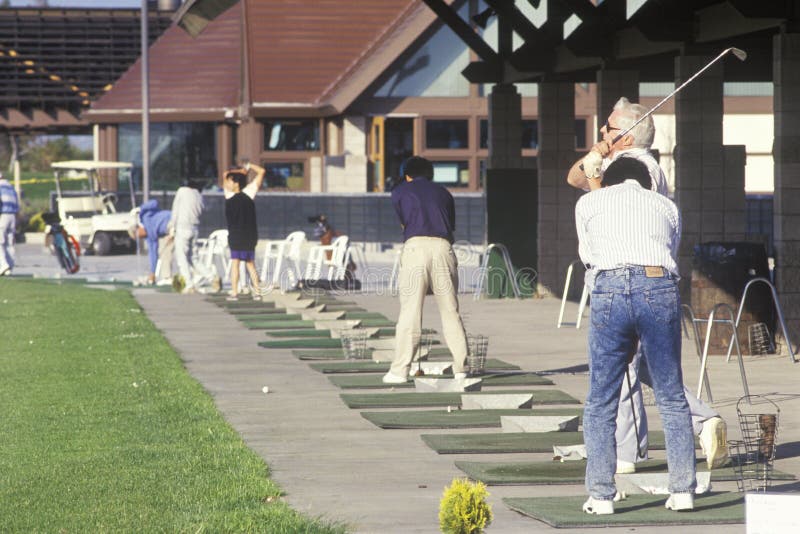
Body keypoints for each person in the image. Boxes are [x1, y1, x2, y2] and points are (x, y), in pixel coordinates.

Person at [568, 97, 727, 474]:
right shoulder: (617, 161)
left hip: (629, 278)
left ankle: (625, 450)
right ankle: (703, 421)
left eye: (608, 128)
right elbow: (574, 178)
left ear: (624, 136)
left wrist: (596, 174)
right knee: (646, 368)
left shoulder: (639, 168)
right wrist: (596, 154)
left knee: (621, 366)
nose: (602, 132)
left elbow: (606, 212)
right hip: (641, 280)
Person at [576, 157, 696, 514]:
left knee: (601, 399)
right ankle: (683, 490)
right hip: (658, 284)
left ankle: (601, 495)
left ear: (608, 181)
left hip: (609, 285)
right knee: (671, 394)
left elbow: (588, 255)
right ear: (647, 183)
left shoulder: (588, 201)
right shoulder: (666, 205)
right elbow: (670, 253)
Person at [383, 156, 469, 384]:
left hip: (415, 248)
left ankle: (400, 371)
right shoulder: (445, 193)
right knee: (451, 311)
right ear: (430, 174)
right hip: (443, 247)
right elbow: (450, 226)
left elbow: (405, 224)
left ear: (408, 175)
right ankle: (461, 368)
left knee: (410, 312)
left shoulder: (400, 191)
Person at [223, 162, 266, 301]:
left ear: (235, 183)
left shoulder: (230, 195)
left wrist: (242, 170)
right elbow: (261, 172)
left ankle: (235, 293)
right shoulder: (249, 192)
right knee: (249, 263)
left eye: (230, 181)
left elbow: (262, 171)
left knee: (238, 263)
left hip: (237, 236)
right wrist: (247, 168)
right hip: (249, 235)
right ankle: (257, 292)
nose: (227, 183)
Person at [170, 179, 205, 293]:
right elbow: (201, 210)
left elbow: (175, 210)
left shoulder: (182, 191)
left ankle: (188, 284)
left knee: (181, 257)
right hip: (195, 227)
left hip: (182, 227)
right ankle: (211, 276)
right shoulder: (199, 195)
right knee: (193, 257)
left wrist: (172, 227)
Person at [131, 199, 172, 285]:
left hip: (172, 220)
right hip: (168, 231)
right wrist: (152, 272)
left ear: (138, 228)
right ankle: (167, 277)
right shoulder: (150, 238)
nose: (141, 237)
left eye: (138, 235)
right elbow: (153, 255)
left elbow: (154, 203)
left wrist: (141, 208)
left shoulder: (144, 216)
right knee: (164, 252)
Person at [0, 171, 19, 276]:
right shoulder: (10, 186)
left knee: (0, 242)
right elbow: (17, 203)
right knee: (9, 242)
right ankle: (9, 267)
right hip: (12, 216)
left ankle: (3, 265)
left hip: (3, 215)